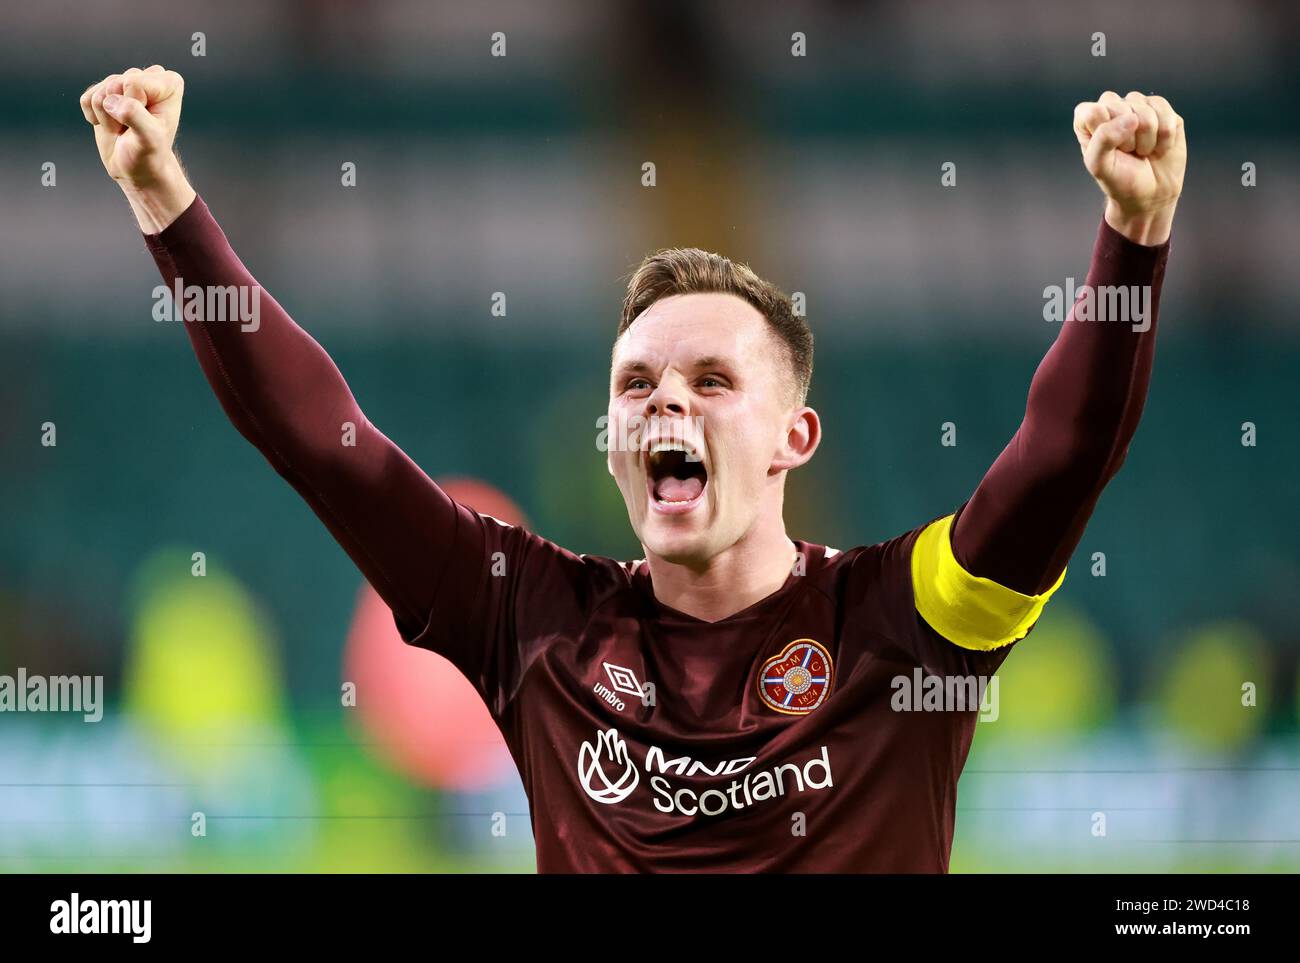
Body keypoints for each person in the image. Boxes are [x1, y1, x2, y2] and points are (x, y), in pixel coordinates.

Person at [81, 65, 1184, 871]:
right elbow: (323, 444)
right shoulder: (533, 621)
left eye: (712, 380)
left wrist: (1132, 237)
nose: (664, 399)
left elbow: (1064, 452)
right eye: (636, 383)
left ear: (793, 439)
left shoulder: (906, 617)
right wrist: (166, 208)